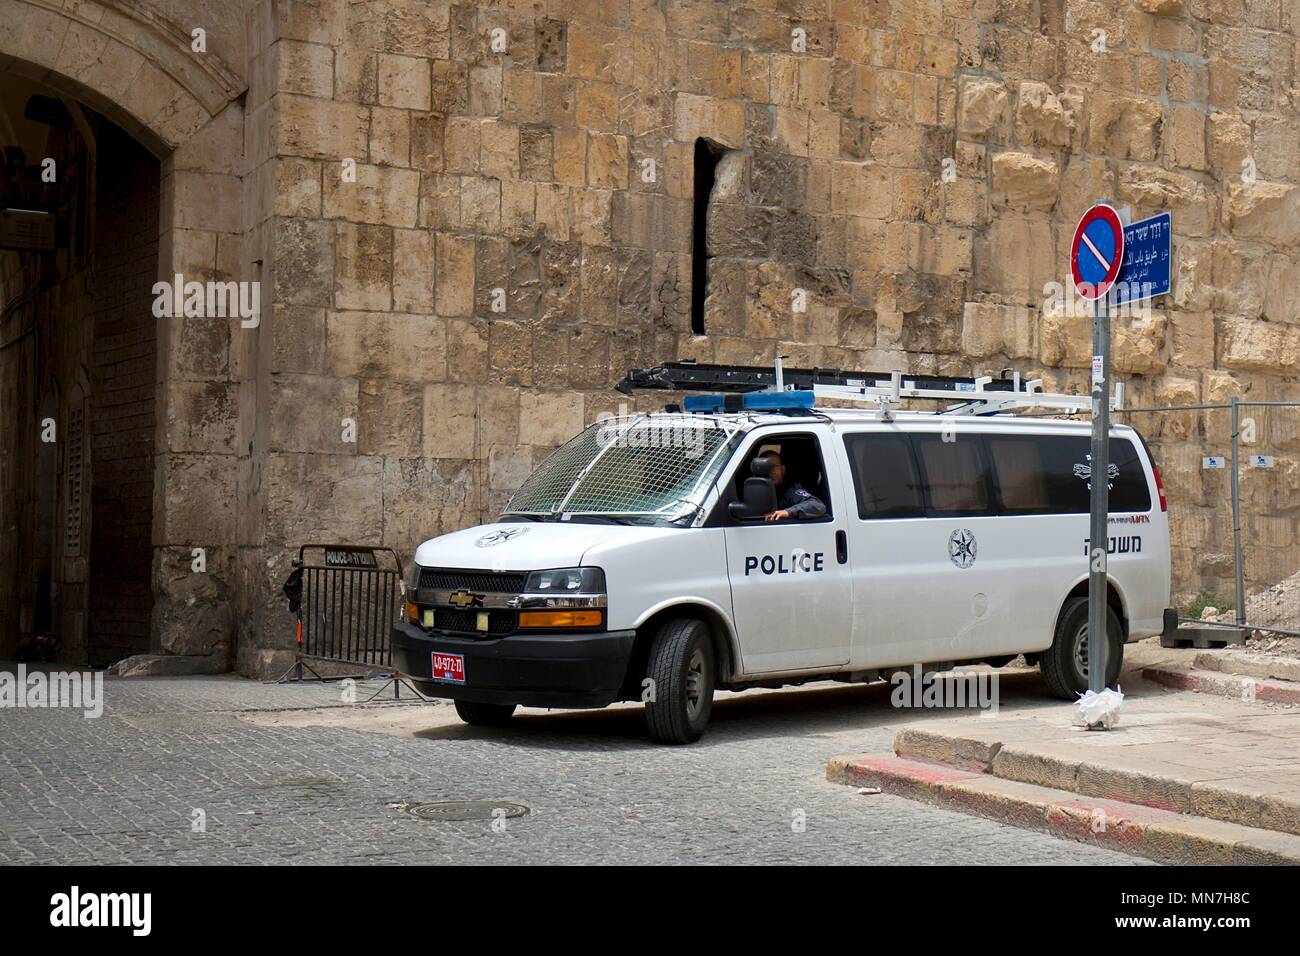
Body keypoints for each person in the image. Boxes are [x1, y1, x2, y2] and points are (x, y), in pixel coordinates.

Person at [758, 450, 826, 521]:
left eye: (775, 466)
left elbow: (817, 505)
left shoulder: (791, 490)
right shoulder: (753, 490)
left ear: (783, 469)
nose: (772, 471)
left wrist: (788, 512)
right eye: (767, 467)